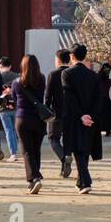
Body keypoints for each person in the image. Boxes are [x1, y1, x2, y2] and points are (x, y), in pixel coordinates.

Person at [60, 44, 102, 193]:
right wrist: (91, 115)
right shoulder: (93, 75)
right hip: (91, 118)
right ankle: (81, 181)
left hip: (74, 117)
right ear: (85, 56)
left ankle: (86, 182)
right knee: (85, 149)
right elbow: (98, 98)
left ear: (72, 56)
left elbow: (69, 98)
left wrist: (80, 115)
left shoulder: (67, 74)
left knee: (78, 149)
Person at [11, 54, 48, 194]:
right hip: (39, 119)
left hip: (22, 118)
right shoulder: (42, 79)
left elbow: (14, 99)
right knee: (36, 150)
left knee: (27, 151)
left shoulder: (17, 82)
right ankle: (35, 177)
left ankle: (33, 179)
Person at [46, 49, 72, 178]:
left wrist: (46, 110)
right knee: (67, 140)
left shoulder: (53, 74)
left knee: (53, 139)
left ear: (58, 60)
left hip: (56, 112)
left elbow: (48, 96)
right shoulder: (73, 73)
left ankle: (63, 159)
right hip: (72, 113)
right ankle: (65, 163)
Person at [0, 56, 20, 163]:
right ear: (10, 66)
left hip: (2, 106)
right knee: (15, 130)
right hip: (16, 106)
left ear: (0, 66)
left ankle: (13, 153)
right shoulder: (17, 76)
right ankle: (17, 152)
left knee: (8, 130)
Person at [96, 61, 111, 135]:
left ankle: (103, 129)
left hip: (102, 99)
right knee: (110, 115)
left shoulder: (98, 78)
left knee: (103, 115)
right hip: (110, 99)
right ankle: (108, 130)